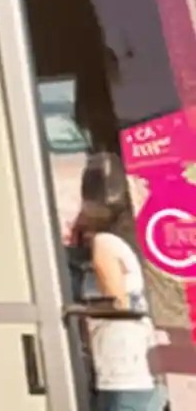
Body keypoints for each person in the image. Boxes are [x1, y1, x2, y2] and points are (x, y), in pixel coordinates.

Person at [72, 152, 164, 411]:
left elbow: (118, 301)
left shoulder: (104, 244)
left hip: (122, 370)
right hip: (137, 368)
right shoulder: (125, 237)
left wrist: (75, 311)